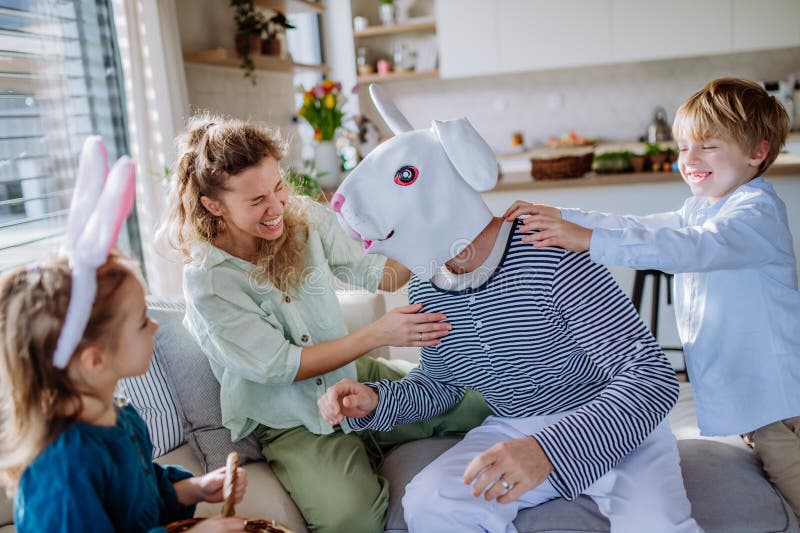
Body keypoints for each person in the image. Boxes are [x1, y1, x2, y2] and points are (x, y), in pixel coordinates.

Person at [319, 85, 701, 532]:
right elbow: (442, 383)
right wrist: (376, 403)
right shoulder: (428, 282)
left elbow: (650, 377)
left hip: (614, 424)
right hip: (513, 427)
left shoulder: (550, 251)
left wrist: (549, 451)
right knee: (430, 502)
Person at [165, 115, 490, 533]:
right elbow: (282, 366)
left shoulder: (302, 219)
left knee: (483, 400)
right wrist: (379, 334)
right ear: (213, 205)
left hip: (357, 379)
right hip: (292, 421)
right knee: (352, 520)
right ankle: (364, 454)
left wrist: (438, 221)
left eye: (278, 187)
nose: (277, 206)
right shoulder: (209, 282)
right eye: (256, 200)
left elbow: (382, 274)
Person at [505, 77, 800, 519]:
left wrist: (587, 239)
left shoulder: (754, 212)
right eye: (683, 148)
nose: (690, 160)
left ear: (757, 152)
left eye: (708, 146)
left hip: (782, 407)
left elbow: (689, 248)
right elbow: (633, 226)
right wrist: (561, 216)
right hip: (753, 405)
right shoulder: (702, 208)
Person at [0, 136, 247, 532]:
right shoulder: (63, 466)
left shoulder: (116, 414)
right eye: (139, 322)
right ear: (95, 359)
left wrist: (195, 490)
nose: (154, 325)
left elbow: (138, 499)